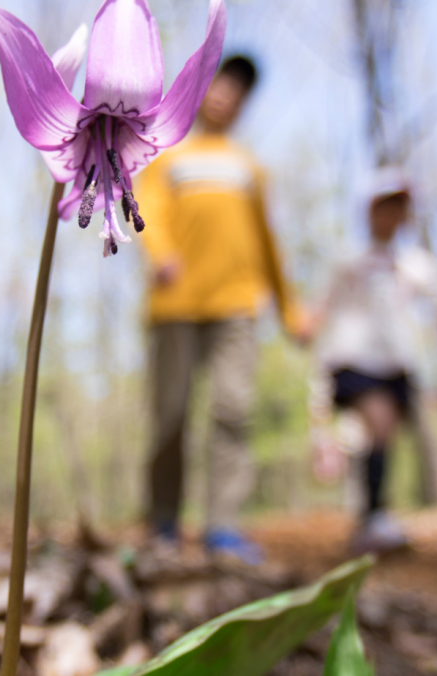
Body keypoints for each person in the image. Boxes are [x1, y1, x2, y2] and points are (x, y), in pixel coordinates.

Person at [134, 55, 307, 564]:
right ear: (201, 91)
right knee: (171, 413)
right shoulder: (167, 155)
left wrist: (290, 312)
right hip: (176, 303)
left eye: (237, 90)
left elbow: (268, 242)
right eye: (219, 84)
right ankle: (163, 521)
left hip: (237, 305)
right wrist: (161, 254)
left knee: (233, 410)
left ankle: (223, 526)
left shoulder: (249, 167)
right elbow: (146, 210)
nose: (225, 95)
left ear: (243, 105)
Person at [305, 166, 437, 554]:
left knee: (381, 436)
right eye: (385, 206)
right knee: (377, 423)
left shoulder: (417, 263)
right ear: (370, 210)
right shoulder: (347, 258)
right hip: (353, 359)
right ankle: (374, 516)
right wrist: (304, 331)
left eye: (400, 208)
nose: (392, 215)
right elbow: (319, 307)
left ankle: (368, 513)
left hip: (397, 363)